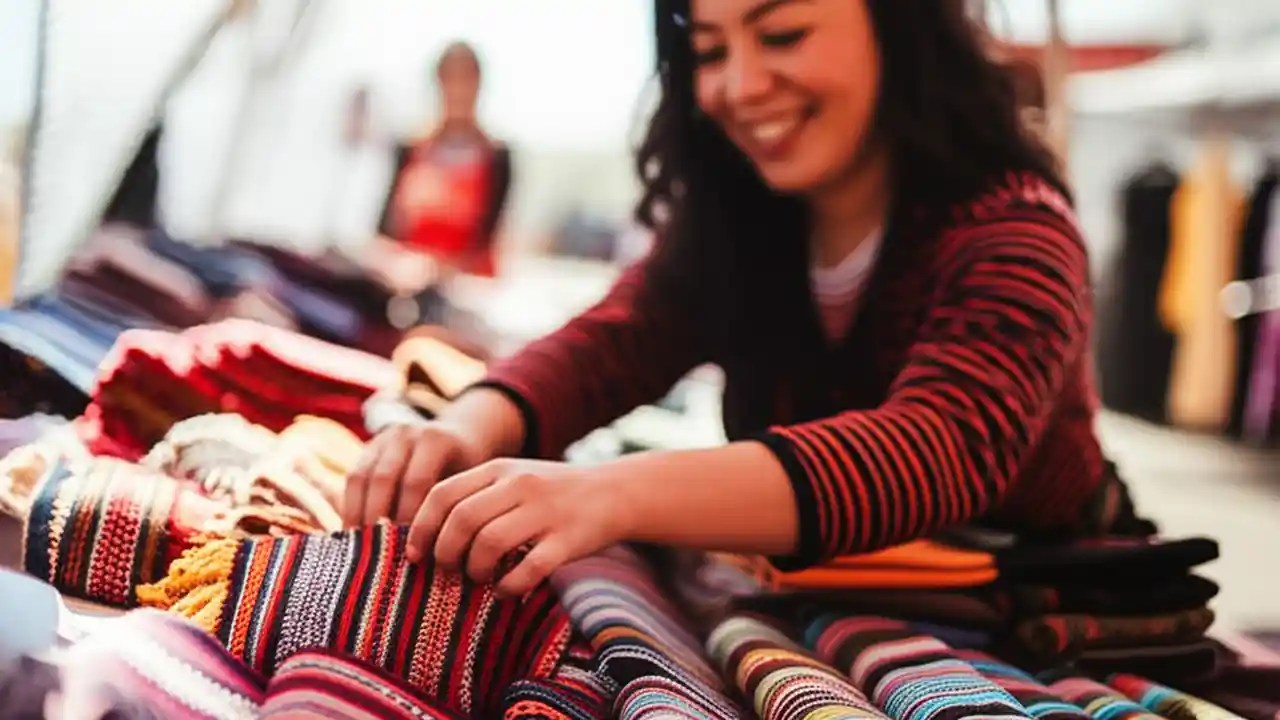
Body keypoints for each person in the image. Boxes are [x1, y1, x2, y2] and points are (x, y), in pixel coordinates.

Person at [345, 0, 1145, 598]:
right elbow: (619, 338)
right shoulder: (742, 222)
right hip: (819, 601)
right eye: (708, 50)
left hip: (1032, 602)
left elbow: (936, 447)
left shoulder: (1016, 231)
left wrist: (609, 496)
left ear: (899, 26)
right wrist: (466, 426)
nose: (740, 85)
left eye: (782, 36)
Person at [379, 41, 512, 278]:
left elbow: (487, 237)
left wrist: (442, 271)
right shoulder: (410, 149)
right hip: (405, 277)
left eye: (466, 79)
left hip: (465, 283)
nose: (458, 90)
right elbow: (385, 229)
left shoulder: (497, 158)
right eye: (450, 78)